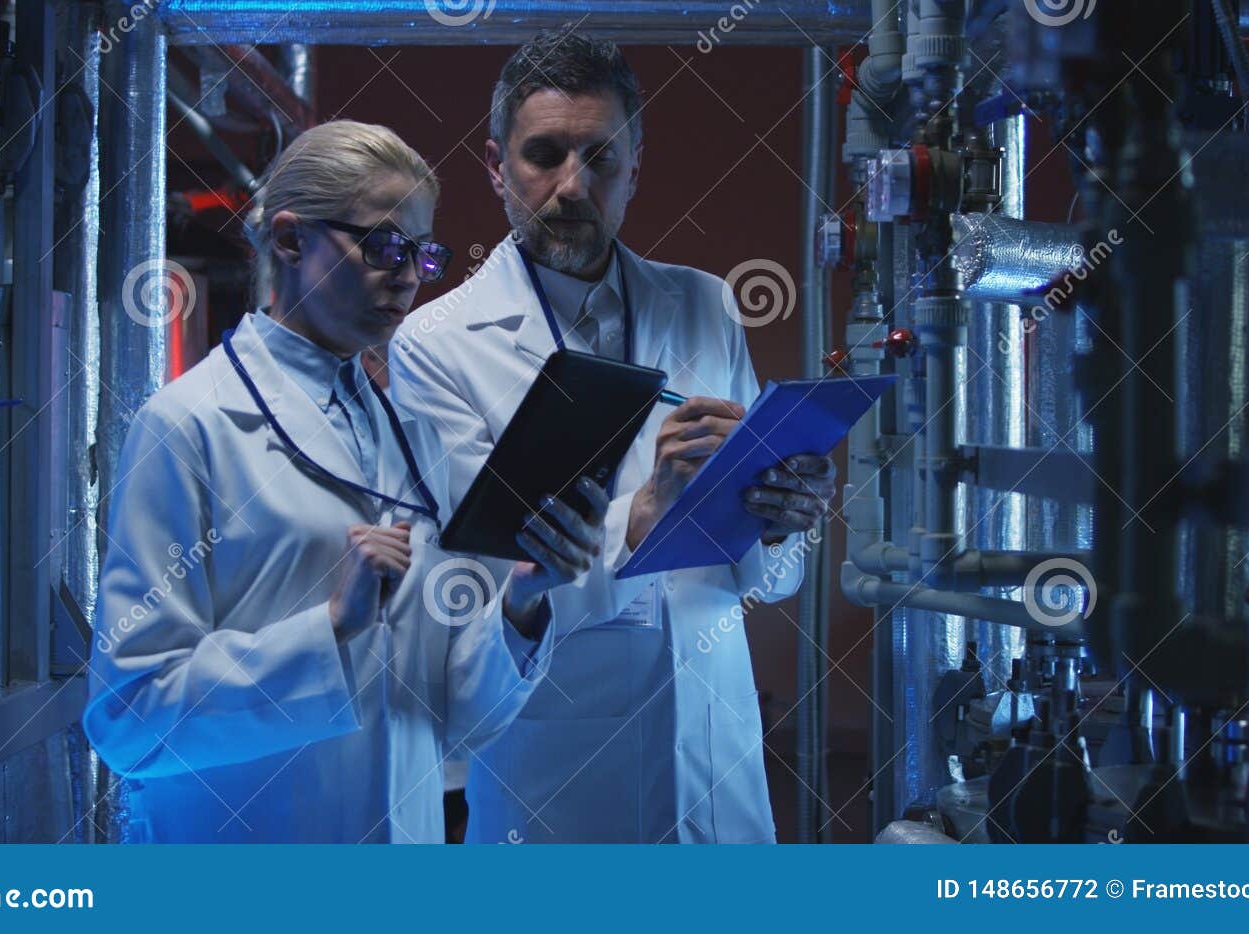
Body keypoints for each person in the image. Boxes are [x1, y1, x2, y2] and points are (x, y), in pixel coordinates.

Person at [83, 120, 607, 843]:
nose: (408, 277)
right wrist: (331, 629)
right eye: (383, 245)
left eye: (422, 253)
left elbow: (453, 721)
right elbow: (128, 720)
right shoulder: (188, 425)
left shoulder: (411, 432)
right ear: (291, 241)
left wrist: (521, 601)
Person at [389, 30, 838, 844]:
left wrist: (780, 517)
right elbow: (473, 594)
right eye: (544, 154)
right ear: (495, 166)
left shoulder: (704, 304)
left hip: (718, 762)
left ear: (636, 165)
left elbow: (768, 582)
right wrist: (644, 515)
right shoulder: (436, 345)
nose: (572, 185)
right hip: (557, 788)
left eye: (600, 157)